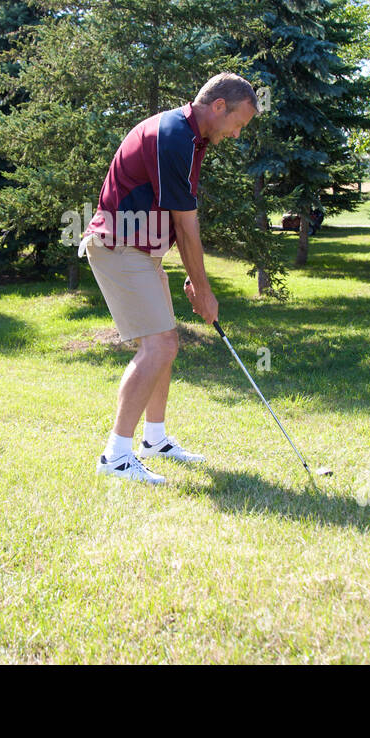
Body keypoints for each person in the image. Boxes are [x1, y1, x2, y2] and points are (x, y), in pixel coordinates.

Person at [80, 73, 259, 485]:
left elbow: (177, 218)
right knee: (158, 345)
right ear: (218, 107)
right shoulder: (174, 135)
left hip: (141, 249)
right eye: (238, 124)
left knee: (166, 344)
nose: (236, 135)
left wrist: (198, 283)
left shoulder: (191, 139)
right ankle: (116, 455)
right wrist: (204, 289)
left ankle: (154, 440)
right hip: (117, 245)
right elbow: (186, 222)